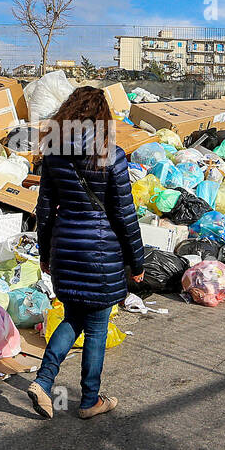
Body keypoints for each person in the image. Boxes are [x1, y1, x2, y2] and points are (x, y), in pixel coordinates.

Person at [28, 87, 145, 419]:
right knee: (95, 325)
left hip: (65, 249)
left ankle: (43, 381)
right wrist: (137, 261)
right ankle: (90, 399)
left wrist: (45, 254)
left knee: (73, 317)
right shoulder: (113, 156)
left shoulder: (54, 154)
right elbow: (124, 215)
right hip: (101, 254)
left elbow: (45, 209)